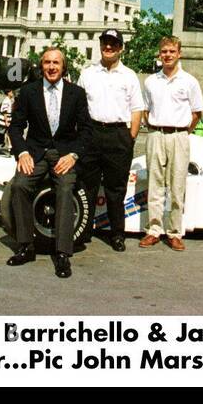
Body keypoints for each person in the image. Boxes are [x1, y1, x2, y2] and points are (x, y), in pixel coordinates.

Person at [5, 46, 90, 279]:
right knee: (20, 185)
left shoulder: (77, 94)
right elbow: (16, 127)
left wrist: (73, 155)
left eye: (56, 63)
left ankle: (62, 253)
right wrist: (21, 152)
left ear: (63, 67)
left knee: (64, 188)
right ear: (41, 66)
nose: (51, 67)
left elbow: (85, 131)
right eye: (47, 63)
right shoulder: (28, 92)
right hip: (35, 153)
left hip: (64, 155)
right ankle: (25, 246)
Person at [76, 28, 145, 252]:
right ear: (100, 46)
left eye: (113, 44)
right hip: (92, 134)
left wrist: (130, 138)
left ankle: (117, 234)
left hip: (118, 136)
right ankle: (83, 231)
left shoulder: (130, 76)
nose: (109, 47)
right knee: (87, 187)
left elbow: (137, 109)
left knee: (116, 190)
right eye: (105, 43)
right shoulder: (88, 73)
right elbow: (78, 105)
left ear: (121, 48)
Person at [140, 36, 203, 252]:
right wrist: (154, 127)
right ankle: (154, 230)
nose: (167, 55)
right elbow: (145, 109)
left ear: (179, 53)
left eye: (171, 51)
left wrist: (183, 131)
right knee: (155, 184)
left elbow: (197, 112)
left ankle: (175, 232)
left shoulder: (189, 81)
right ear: (160, 54)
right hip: (156, 134)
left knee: (177, 185)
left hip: (179, 135)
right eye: (164, 51)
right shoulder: (150, 81)